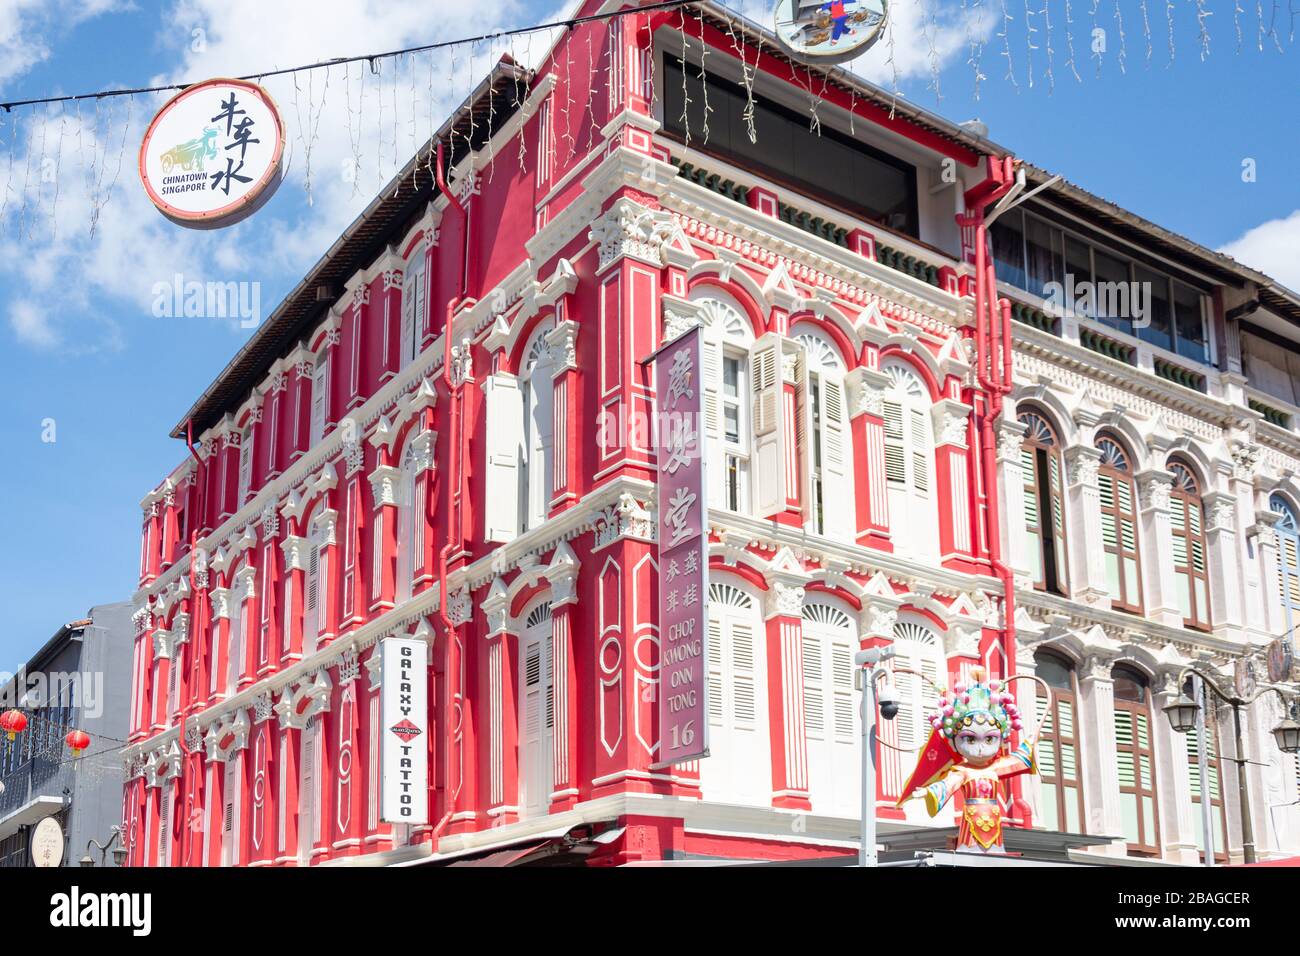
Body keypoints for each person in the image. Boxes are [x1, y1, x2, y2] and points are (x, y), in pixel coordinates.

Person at [897, 666, 1040, 853]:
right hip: (971, 818)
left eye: (989, 739)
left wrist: (1031, 740)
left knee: (995, 852)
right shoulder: (962, 771)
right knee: (969, 850)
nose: (980, 748)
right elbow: (946, 785)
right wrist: (927, 791)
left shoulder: (996, 768)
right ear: (955, 741)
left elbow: (1019, 759)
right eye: (970, 739)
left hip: (994, 818)